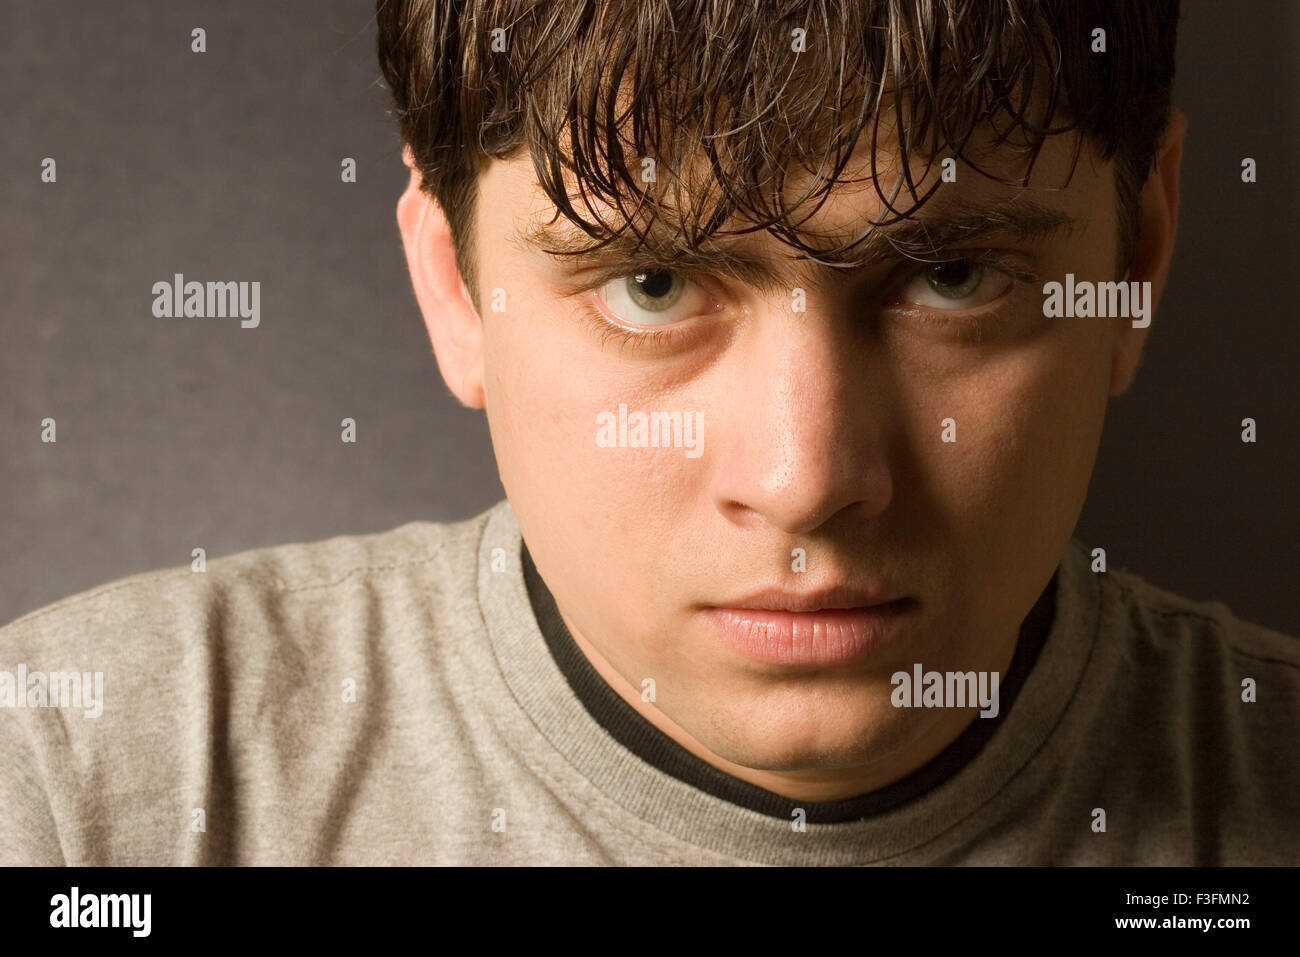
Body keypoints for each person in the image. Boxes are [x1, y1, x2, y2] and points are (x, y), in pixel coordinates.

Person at [1, 0, 1296, 865]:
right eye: (654, 286)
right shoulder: (76, 790)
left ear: (1138, 257)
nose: (805, 483)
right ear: (454, 288)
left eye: (951, 275)